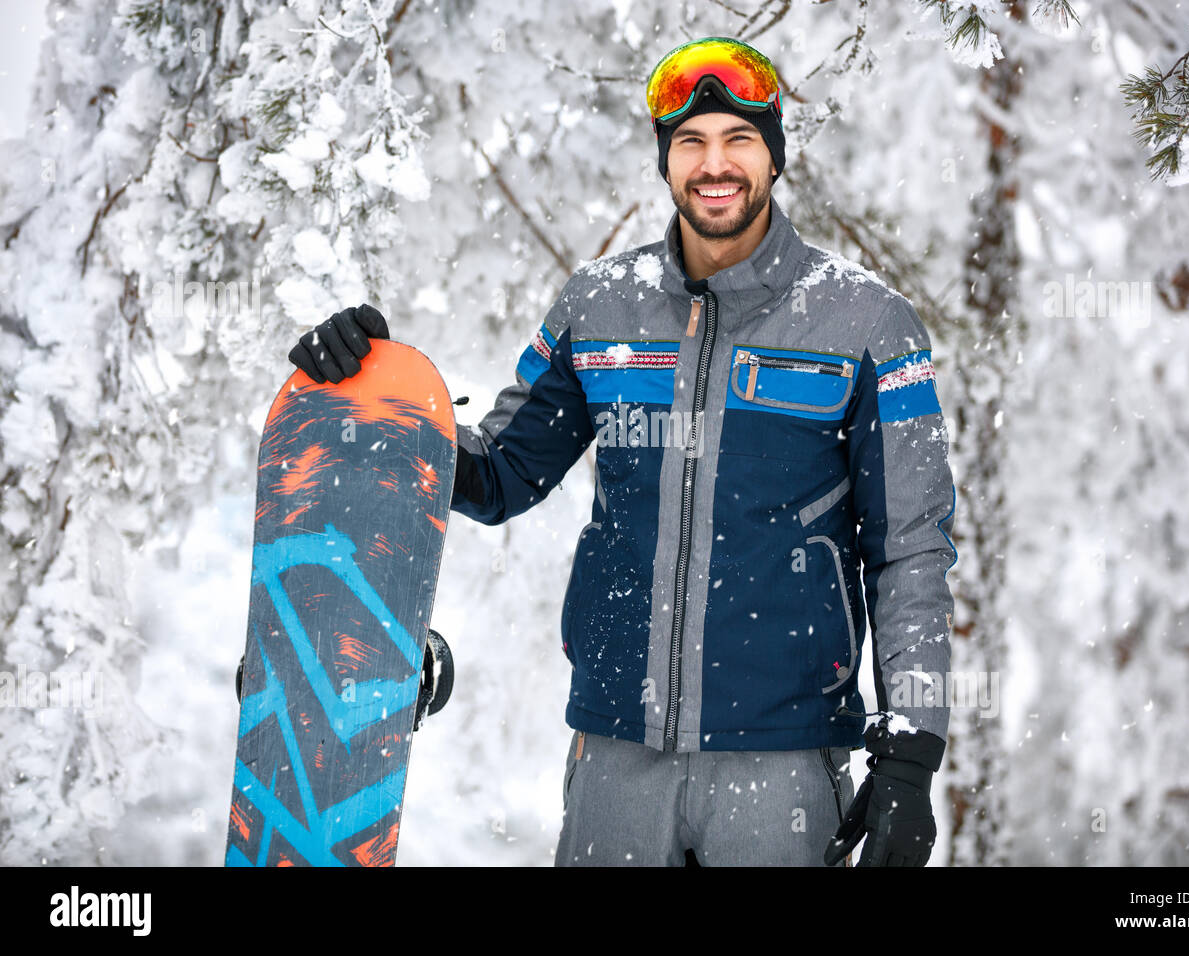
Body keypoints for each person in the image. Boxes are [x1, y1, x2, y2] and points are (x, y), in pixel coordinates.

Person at [290, 36, 958, 867]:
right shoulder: (601, 306)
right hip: (615, 758)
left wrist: (908, 758)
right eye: (691, 144)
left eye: (739, 140)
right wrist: (379, 394)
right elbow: (499, 473)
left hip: (780, 766)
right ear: (666, 163)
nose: (716, 165)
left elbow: (912, 555)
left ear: (776, 156)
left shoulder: (868, 326)